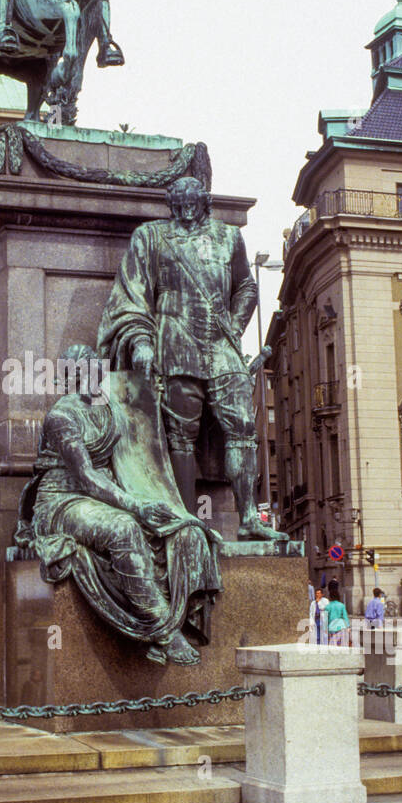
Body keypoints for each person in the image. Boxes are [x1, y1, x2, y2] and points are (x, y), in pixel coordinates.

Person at [97, 175, 288, 542]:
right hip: (176, 341)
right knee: (181, 434)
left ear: (204, 203)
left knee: (243, 427)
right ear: (171, 205)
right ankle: (186, 520)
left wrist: (234, 322)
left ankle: (248, 518)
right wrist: (141, 342)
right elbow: (133, 294)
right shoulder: (150, 237)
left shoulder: (228, 236)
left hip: (220, 343)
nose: (185, 213)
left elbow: (245, 285)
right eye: (178, 206)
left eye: (191, 206)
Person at [13, 344, 221, 666]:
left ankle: (174, 615)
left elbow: (140, 454)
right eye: (88, 368)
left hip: (107, 497)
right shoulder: (62, 416)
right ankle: (165, 633)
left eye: (98, 365)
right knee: (123, 528)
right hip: (60, 502)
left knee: (184, 530)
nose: (98, 373)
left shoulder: (110, 410)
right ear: (73, 375)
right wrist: (137, 507)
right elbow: (85, 476)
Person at [326, 579, 351, 646]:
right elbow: (345, 617)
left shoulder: (327, 607)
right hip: (342, 627)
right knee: (343, 645)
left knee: (332, 645)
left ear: (330, 597)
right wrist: (348, 627)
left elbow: (326, 619)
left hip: (332, 628)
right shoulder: (342, 605)